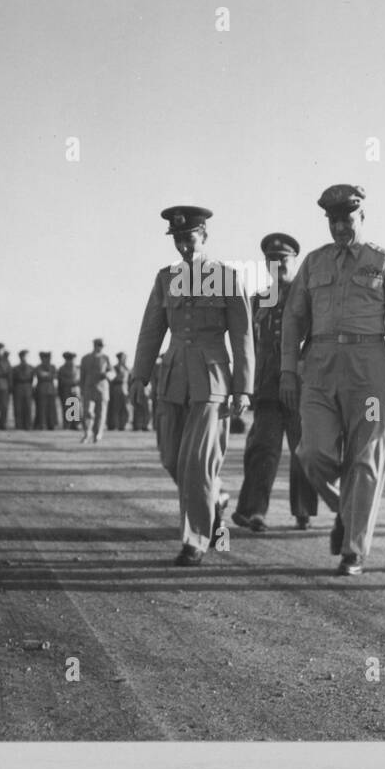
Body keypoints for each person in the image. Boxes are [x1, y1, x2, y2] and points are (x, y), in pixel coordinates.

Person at [281, 184, 385, 576]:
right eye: (333, 220)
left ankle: (353, 549)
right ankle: (346, 509)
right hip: (320, 366)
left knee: (365, 457)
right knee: (310, 452)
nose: (340, 227)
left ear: (362, 217)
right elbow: (292, 319)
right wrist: (288, 370)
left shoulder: (382, 262)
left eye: (348, 219)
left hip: (369, 369)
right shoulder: (313, 262)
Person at [132, 206, 253, 565]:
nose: (184, 246)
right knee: (172, 459)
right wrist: (139, 376)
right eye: (178, 239)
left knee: (196, 464)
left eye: (190, 237)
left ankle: (196, 540)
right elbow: (152, 328)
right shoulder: (165, 278)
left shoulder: (227, 277)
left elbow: (243, 335)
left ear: (204, 236)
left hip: (212, 382)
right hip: (172, 378)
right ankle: (214, 498)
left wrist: (243, 388)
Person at [234, 232, 318, 532]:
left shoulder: (309, 297)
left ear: (295, 260)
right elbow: (248, 344)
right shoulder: (259, 299)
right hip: (268, 388)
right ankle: (253, 511)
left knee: (303, 450)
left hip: (302, 387)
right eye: (270, 260)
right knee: (262, 449)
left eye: (282, 260)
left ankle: (303, 511)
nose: (276, 265)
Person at [79, 339, 113, 444]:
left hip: (102, 389)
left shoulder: (105, 358)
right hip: (89, 388)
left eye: (102, 346)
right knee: (88, 412)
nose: (100, 347)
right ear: (94, 345)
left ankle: (97, 434)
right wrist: (82, 389)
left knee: (101, 414)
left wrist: (108, 375)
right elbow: (82, 375)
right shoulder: (85, 358)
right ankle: (87, 433)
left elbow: (112, 372)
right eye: (98, 345)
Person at [33, 351, 60, 430]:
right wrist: (48, 375)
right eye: (44, 358)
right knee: (41, 408)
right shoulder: (38, 367)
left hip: (50, 390)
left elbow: (54, 377)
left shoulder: (52, 367)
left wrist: (46, 375)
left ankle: (51, 424)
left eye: (47, 358)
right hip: (42, 389)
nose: (46, 360)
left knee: (51, 408)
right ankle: (42, 424)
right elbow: (39, 376)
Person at [11, 350, 35, 431]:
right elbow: (12, 380)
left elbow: (33, 380)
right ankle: (19, 425)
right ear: (20, 357)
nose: (24, 358)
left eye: (26, 356)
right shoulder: (15, 368)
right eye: (23, 356)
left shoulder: (31, 368)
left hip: (28, 387)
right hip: (18, 388)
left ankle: (28, 425)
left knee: (28, 407)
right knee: (18, 407)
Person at [108, 352, 132, 431]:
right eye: (122, 358)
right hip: (117, 388)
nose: (124, 359)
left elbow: (129, 380)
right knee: (116, 407)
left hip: (125, 388)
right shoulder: (114, 368)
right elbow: (111, 379)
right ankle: (115, 424)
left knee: (125, 408)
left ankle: (123, 424)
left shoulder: (127, 368)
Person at [58, 352, 81, 430]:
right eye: (69, 359)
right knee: (67, 407)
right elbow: (61, 380)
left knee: (76, 407)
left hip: (75, 390)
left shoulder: (77, 368)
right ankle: (67, 424)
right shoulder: (62, 369)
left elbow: (80, 379)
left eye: (72, 359)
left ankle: (76, 424)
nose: (71, 361)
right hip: (66, 390)